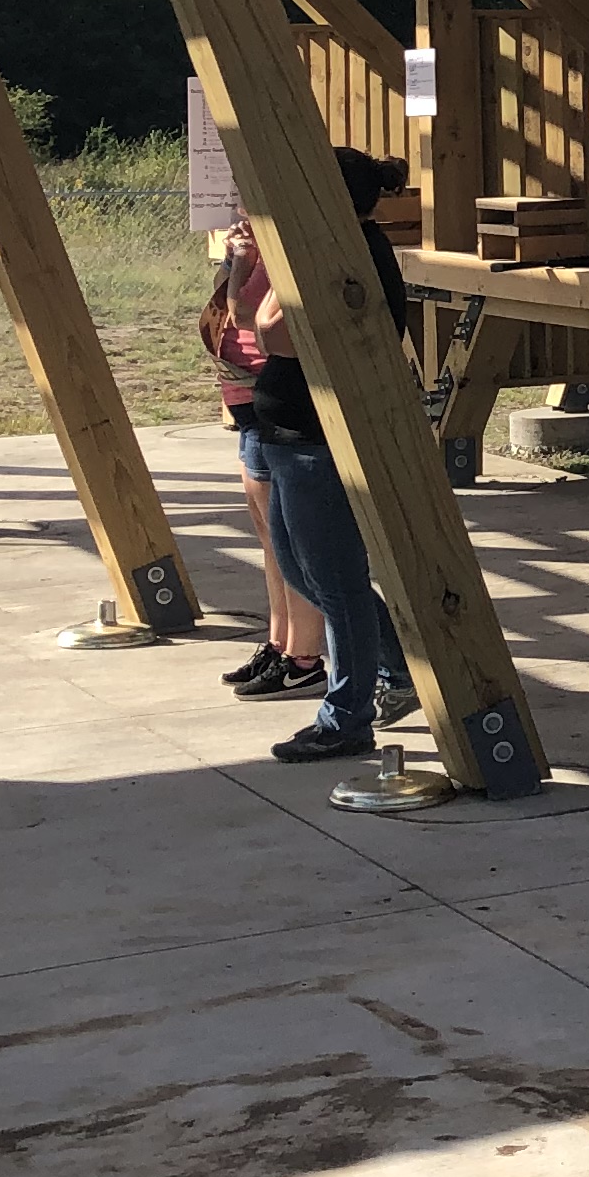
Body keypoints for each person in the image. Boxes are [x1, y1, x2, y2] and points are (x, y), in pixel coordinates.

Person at [239, 150, 422, 760]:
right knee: (300, 571)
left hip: (322, 440)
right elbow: (254, 316)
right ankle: (398, 669)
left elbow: (273, 331)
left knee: (338, 582)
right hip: (288, 436)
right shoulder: (319, 252)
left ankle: (345, 716)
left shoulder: (351, 255)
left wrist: (273, 282)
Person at [199, 221, 328, 700]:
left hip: (268, 393)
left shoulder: (283, 247)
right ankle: (278, 642)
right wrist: (233, 257)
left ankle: (305, 656)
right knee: (268, 535)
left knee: (288, 537)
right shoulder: (253, 246)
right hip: (243, 393)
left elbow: (246, 312)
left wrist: (244, 264)